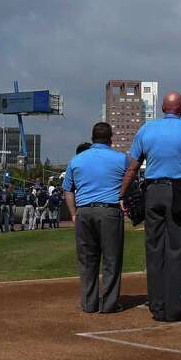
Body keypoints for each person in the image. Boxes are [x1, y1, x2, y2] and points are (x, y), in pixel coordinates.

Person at [121, 91, 181, 322]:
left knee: (154, 249)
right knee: (177, 250)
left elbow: (133, 167)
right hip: (178, 191)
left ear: (162, 108)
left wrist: (121, 194)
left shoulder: (146, 129)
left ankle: (157, 306)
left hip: (152, 191)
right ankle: (174, 308)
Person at [64, 122, 133, 314]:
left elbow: (68, 190)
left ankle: (89, 303)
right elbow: (130, 182)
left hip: (84, 211)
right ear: (111, 138)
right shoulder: (122, 159)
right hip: (109, 211)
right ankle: (109, 303)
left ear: (92, 138)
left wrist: (73, 214)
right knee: (111, 259)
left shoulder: (76, 160)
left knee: (87, 260)